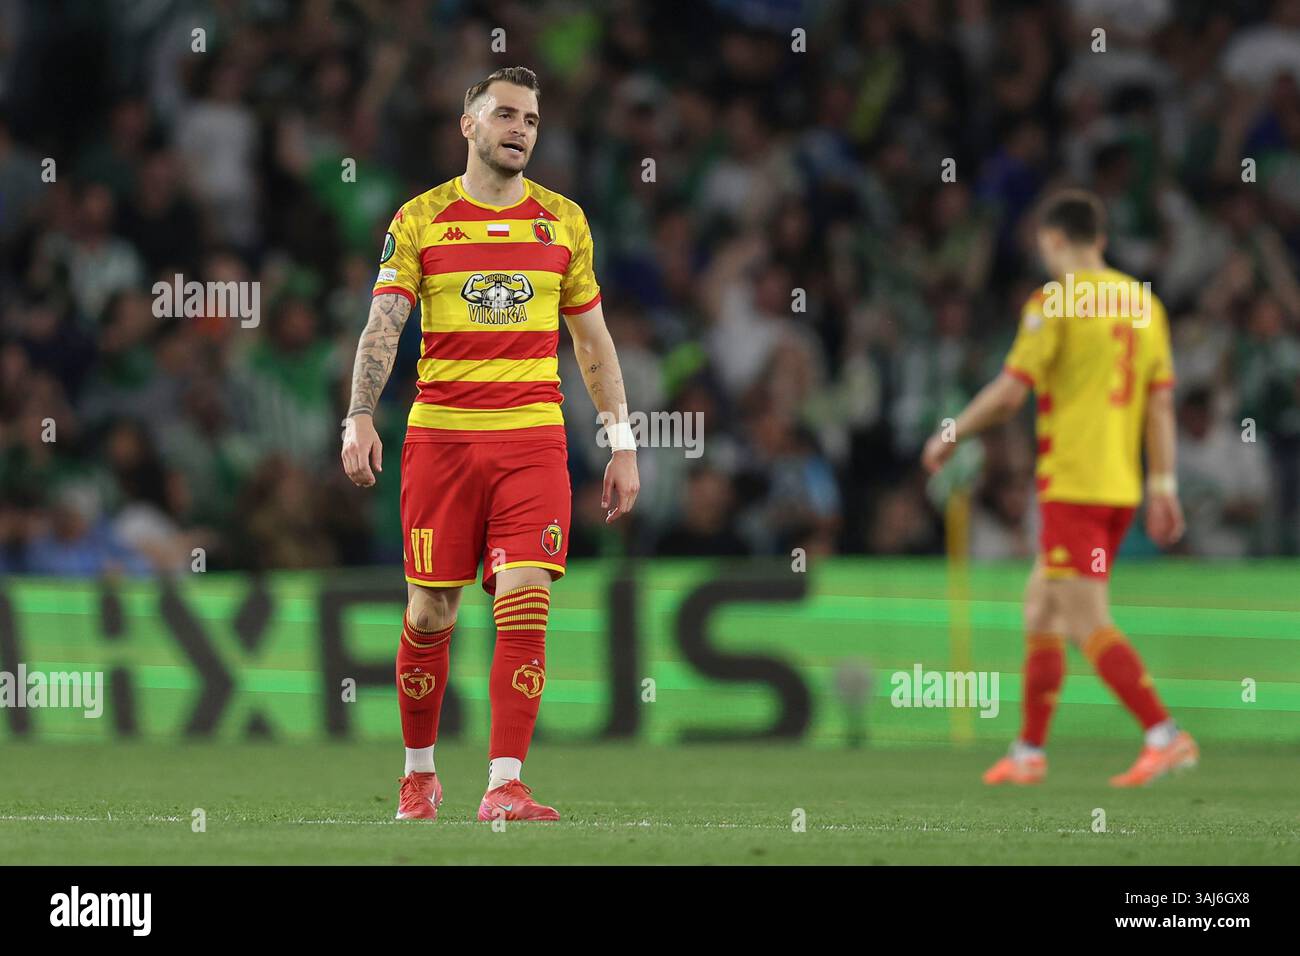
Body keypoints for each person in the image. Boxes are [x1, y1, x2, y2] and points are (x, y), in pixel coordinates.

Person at [340, 67, 639, 821]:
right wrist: (358, 414)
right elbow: (384, 326)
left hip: (533, 441)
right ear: (467, 125)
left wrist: (622, 438)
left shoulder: (564, 221)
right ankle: (418, 774)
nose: (520, 129)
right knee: (432, 611)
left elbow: (592, 342)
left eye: (532, 120)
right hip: (442, 440)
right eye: (505, 114)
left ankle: (504, 783)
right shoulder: (420, 219)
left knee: (526, 600)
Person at [922, 189, 1196, 787]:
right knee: (1041, 605)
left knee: (1087, 621)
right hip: (1120, 489)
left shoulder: (1054, 302)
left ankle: (1165, 734)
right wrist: (1164, 484)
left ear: (1051, 241)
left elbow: (1010, 394)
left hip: (1072, 484)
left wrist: (952, 430)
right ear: (1100, 238)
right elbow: (1160, 405)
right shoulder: (1146, 306)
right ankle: (1028, 752)